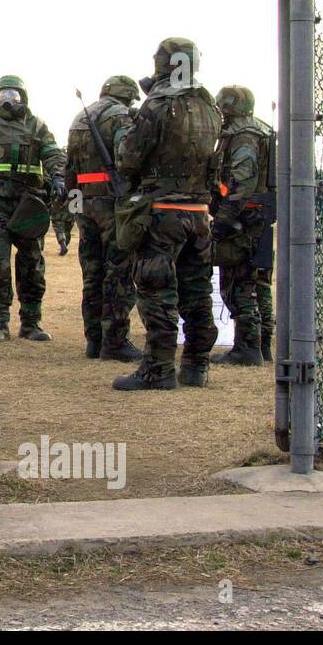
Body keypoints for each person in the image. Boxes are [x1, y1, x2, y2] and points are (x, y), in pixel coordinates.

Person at [113, 38, 221, 391]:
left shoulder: (156, 106)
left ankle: (158, 369)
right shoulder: (211, 106)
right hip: (200, 212)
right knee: (197, 289)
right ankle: (196, 365)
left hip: (162, 212)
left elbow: (128, 157)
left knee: (157, 289)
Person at [0, 75, 67, 342]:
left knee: (32, 263)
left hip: (29, 202)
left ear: (23, 98)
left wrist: (58, 176)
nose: (7, 101)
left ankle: (31, 322)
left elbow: (53, 153)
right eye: (2, 96)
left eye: (13, 96)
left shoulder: (36, 125)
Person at [65, 76, 143, 361]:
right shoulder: (120, 116)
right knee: (119, 271)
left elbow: (68, 167)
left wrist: (74, 202)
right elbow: (127, 156)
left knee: (92, 272)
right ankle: (115, 340)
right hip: (113, 202)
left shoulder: (79, 119)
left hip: (85, 201)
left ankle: (93, 340)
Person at [210, 85, 276, 366]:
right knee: (257, 280)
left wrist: (224, 218)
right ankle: (261, 344)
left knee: (238, 281)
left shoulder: (243, 136)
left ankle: (247, 348)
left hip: (243, 218)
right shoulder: (262, 129)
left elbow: (242, 179)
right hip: (258, 215)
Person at [51, 185, 74, 256]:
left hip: (57, 204)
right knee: (68, 225)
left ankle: (63, 244)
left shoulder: (55, 180)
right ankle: (65, 244)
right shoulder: (72, 177)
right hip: (71, 202)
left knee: (58, 226)